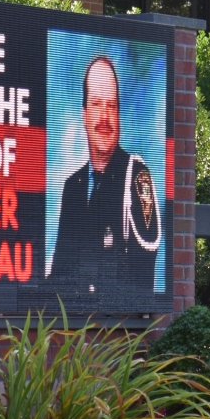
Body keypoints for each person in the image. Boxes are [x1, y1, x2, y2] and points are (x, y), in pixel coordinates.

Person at [47, 55, 160, 302]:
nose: (105, 118)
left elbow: (144, 268)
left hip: (116, 331)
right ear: (85, 115)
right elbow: (59, 273)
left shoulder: (136, 175)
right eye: (97, 104)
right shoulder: (72, 187)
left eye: (112, 106)